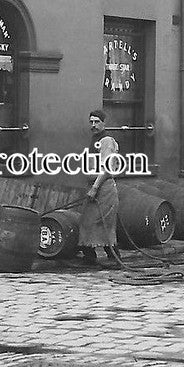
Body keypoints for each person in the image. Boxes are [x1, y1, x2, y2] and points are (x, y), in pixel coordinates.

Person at [76, 109, 124, 269]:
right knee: (89, 223)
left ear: (104, 123)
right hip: (95, 187)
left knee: (103, 225)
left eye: (97, 122)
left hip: (104, 189)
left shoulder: (106, 141)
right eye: (91, 122)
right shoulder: (96, 140)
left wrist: (95, 188)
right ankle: (92, 257)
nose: (93, 125)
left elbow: (107, 168)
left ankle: (114, 258)